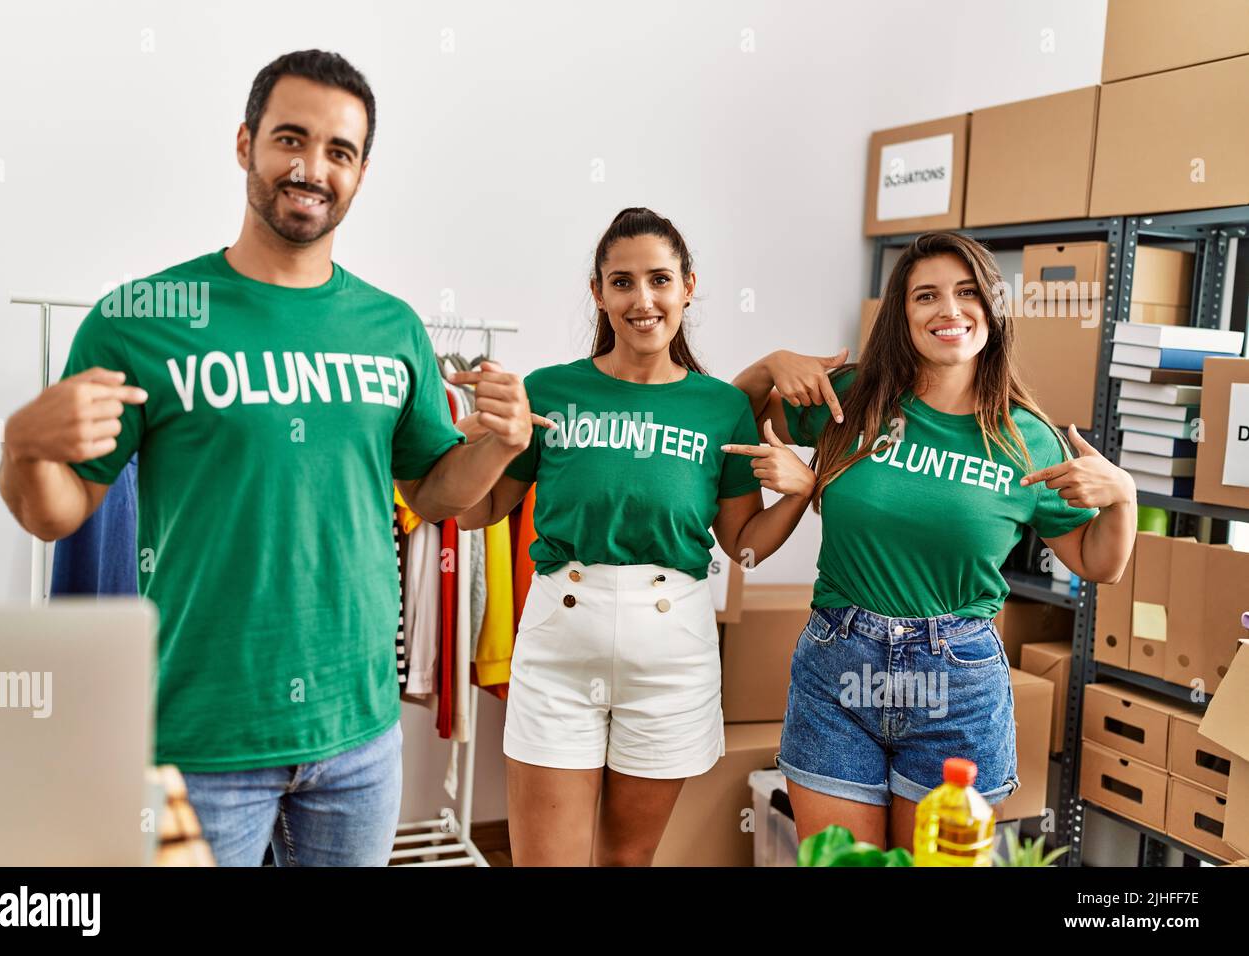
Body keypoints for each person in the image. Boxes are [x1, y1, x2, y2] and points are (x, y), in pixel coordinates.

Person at [0, 50, 533, 866]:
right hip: (199, 738)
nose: (312, 168)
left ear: (359, 172)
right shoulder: (140, 319)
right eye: (291, 138)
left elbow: (433, 496)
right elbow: (54, 513)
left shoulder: (393, 328)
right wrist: (23, 445)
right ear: (245, 143)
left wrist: (498, 446)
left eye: (339, 152)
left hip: (357, 740)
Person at [732, 231, 1137, 850]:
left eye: (967, 292)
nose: (949, 310)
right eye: (927, 296)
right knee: (845, 870)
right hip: (838, 668)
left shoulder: (1025, 437)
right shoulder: (852, 398)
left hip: (958, 682)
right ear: (903, 314)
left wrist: (1125, 495)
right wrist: (767, 367)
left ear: (993, 308)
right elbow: (728, 415)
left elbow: (1098, 563)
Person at [455, 207, 818, 865]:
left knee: (627, 860)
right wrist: (480, 445)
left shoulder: (720, 406)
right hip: (559, 647)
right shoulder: (550, 391)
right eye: (622, 282)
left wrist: (801, 491)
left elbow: (744, 546)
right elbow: (478, 513)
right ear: (599, 293)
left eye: (659, 280)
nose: (642, 299)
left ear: (687, 287)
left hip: (671, 656)